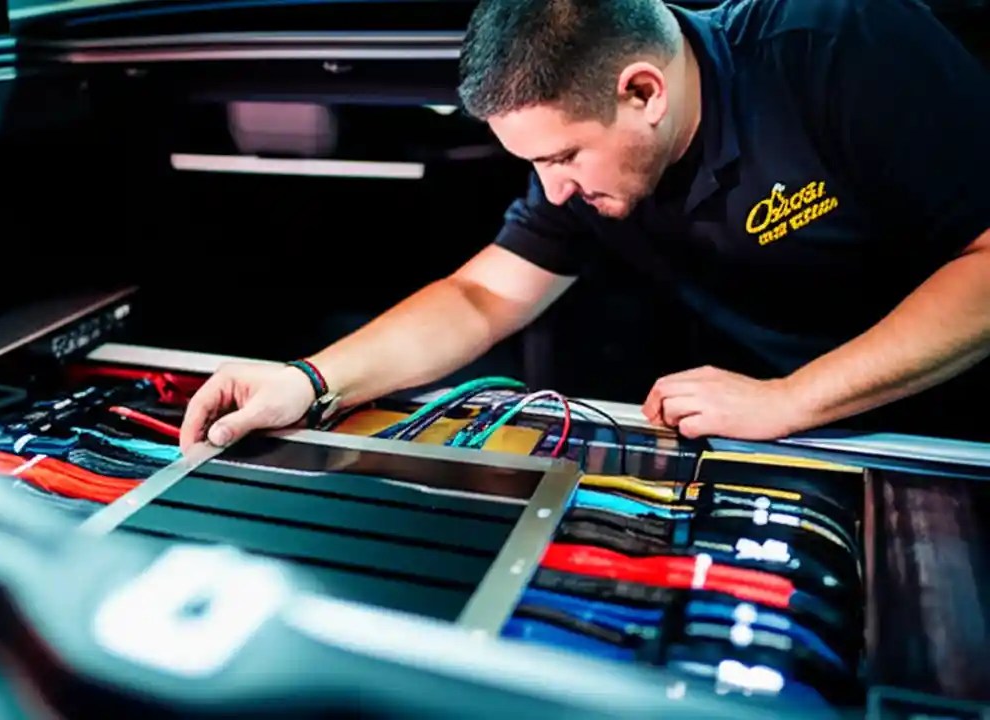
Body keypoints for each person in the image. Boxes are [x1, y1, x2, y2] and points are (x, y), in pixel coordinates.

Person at [179, 0, 990, 453]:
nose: (554, 189)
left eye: (564, 155)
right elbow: (481, 297)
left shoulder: (837, 48)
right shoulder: (582, 169)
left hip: (949, 439)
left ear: (644, 92)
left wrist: (791, 399)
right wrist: (310, 380)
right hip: (791, 438)